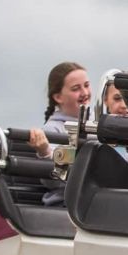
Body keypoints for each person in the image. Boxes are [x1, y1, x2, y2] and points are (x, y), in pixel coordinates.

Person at [27, 62, 91, 206]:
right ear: (58, 97)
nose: (85, 93)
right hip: (67, 203)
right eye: (76, 89)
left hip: (98, 198)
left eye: (86, 85)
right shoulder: (54, 130)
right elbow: (54, 180)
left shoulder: (100, 124)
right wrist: (45, 152)